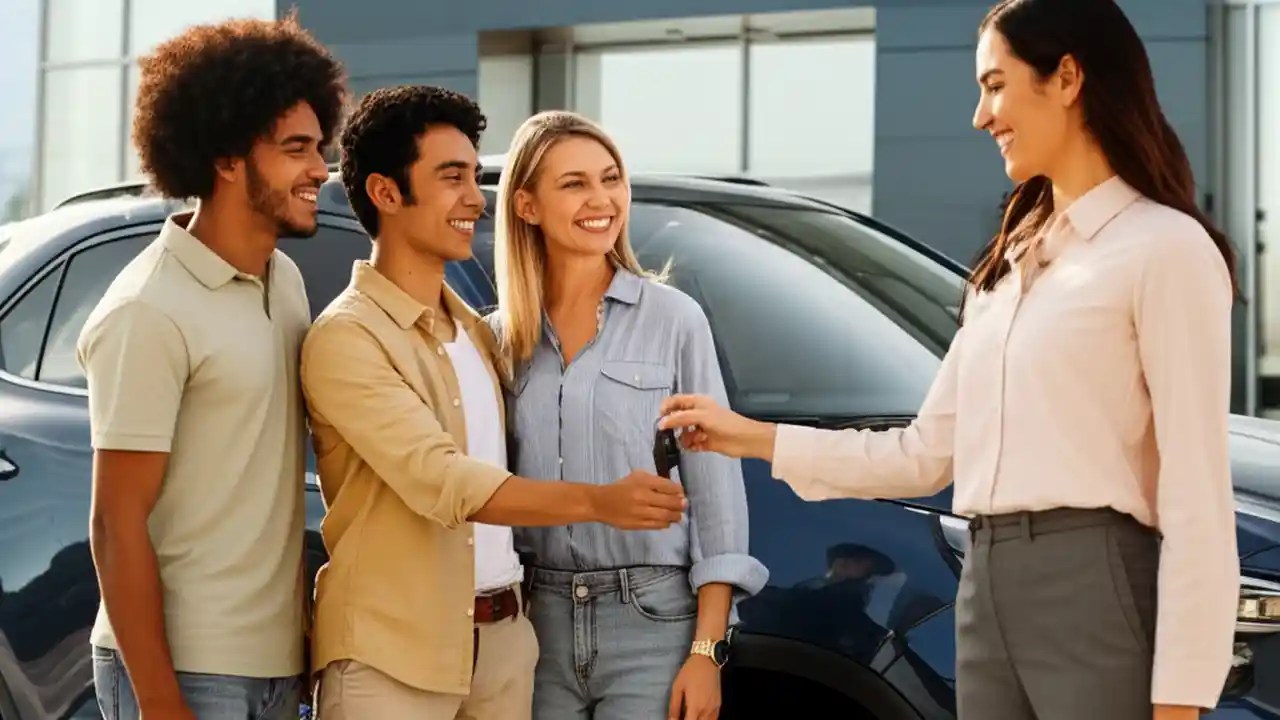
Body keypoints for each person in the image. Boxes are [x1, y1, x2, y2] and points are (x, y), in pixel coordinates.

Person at [657, 1, 1240, 719]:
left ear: (1066, 77)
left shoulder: (1164, 249)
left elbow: (1198, 497)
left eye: (995, 85)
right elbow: (924, 454)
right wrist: (750, 435)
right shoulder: (1009, 264)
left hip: (1095, 582)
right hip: (984, 584)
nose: (980, 114)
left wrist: (1179, 700)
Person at [299, 86, 687, 720]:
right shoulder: (348, 337)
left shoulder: (482, 335)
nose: (475, 200)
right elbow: (443, 481)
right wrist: (597, 502)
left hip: (504, 649)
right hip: (392, 660)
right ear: (386, 193)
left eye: (473, 177)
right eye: (450, 178)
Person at [76, 15, 346, 720]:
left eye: (320, 147)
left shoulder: (282, 280)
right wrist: (161, 701)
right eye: (296, 149)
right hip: (187, 673)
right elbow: (114, 523)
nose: (321, 168)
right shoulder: (148, 310)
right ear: (227, 158)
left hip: (279, 664)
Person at [490, 110, 768, 720]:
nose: (602, 199)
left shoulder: (674, 320)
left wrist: (707, 652)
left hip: (654, 619)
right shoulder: (498, 342)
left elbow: (718, 501)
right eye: (574, 184)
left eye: (611, 178)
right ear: (527, 206)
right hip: (536, 625)